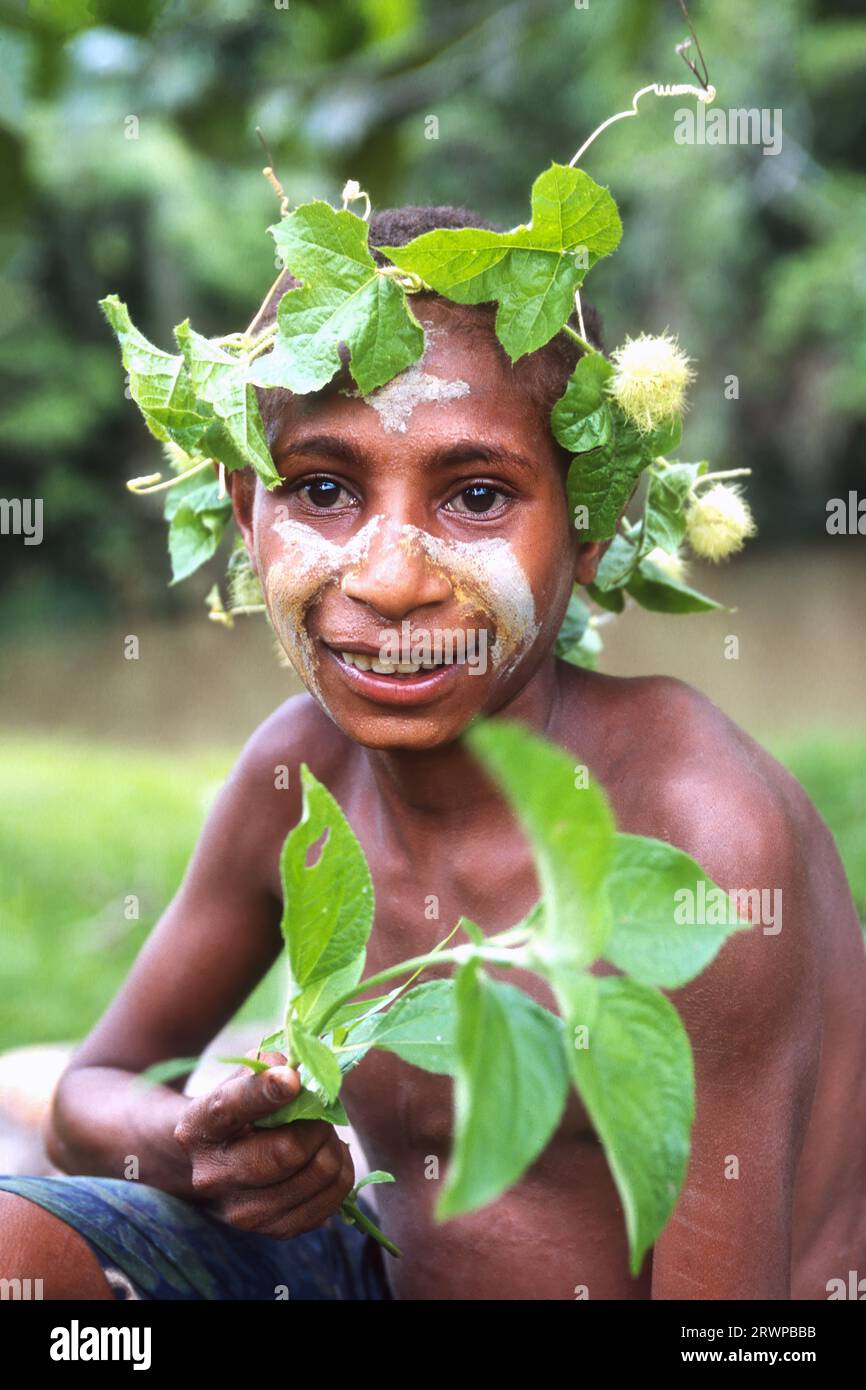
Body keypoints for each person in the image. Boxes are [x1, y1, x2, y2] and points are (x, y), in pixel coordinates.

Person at [1, 206, 864, 1301]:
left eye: (474, 496)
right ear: (242, 505)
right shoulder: (296, 780)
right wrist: (197, 1142)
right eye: (321, 489)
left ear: (589, 526)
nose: (389, 577)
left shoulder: (695, 837)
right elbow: (90, 1100)